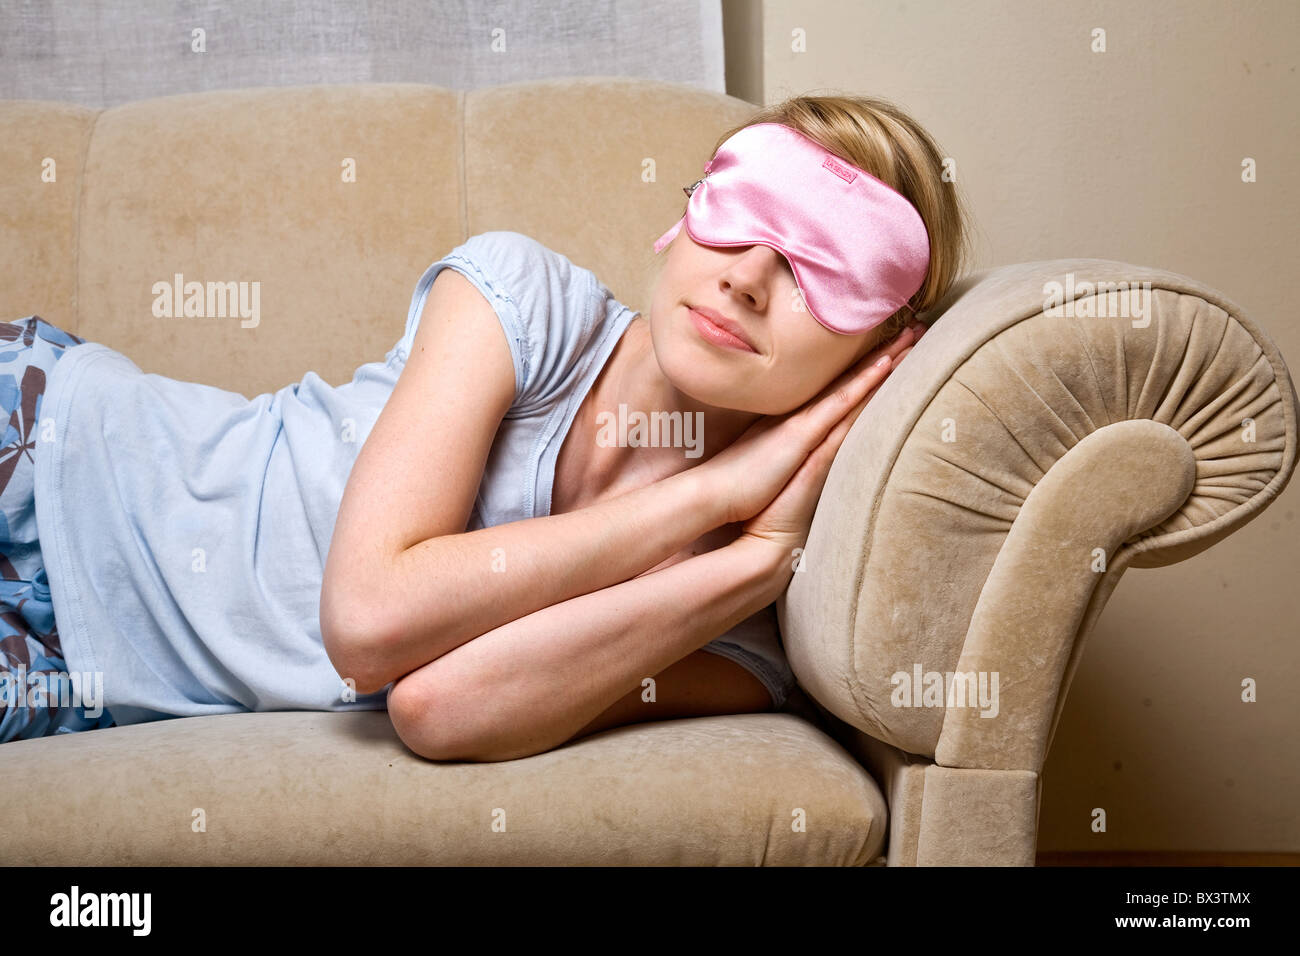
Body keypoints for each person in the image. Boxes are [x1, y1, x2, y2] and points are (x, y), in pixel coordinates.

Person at [0, 93, 970, 758]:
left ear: (876, 354)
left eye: (820, 270)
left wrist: (750, 558)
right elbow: (368, 622)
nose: (748, 276)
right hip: (53, 451)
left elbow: (435, 706)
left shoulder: (735, 628)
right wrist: (712, 491)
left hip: (68, 676)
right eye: (741, 212)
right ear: (682, 217)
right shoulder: (524, 301)